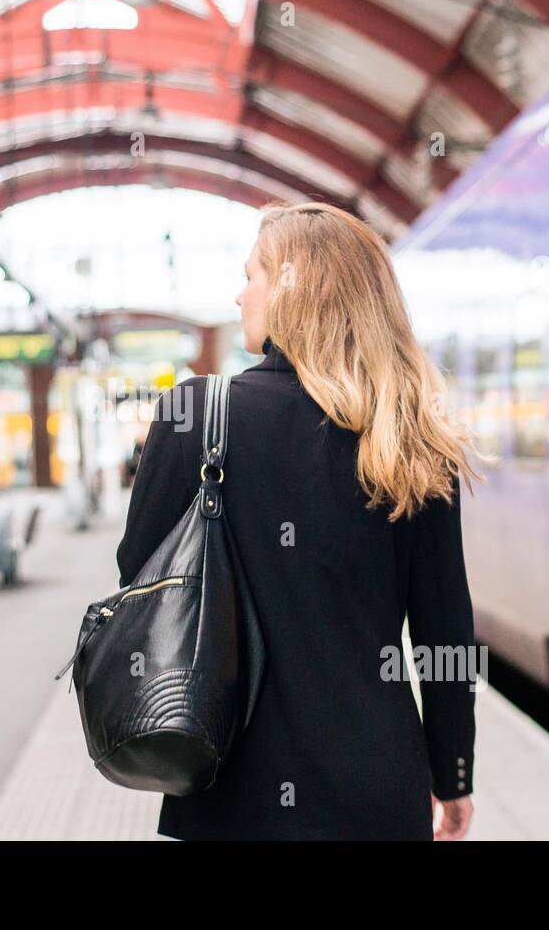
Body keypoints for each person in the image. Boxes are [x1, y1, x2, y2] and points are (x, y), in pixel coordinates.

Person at [116, 202, 482, 840]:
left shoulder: (193, 418)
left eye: (251, 275)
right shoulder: (411, 438)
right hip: (378, 794)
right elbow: (444, 636)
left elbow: (140, 583)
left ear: (289, 285)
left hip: (230, 791)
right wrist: (453, 776)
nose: (239, 295)